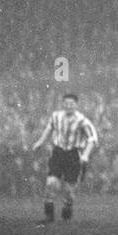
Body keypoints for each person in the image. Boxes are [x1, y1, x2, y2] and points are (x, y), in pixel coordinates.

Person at [30, 93, 98, 223]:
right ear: (63, 104)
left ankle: (67, 212)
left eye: (71, 104)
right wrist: (40, 142)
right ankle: (49, 216)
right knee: (51, 184)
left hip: (73, 155)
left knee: (68, 191)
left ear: (76, 105)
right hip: (58, 153)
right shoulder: (56, 116)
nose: (68, 106)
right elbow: (49, 129)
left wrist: (85, 155)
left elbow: (92, 139)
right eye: (66, 103)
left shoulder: (82, 121)